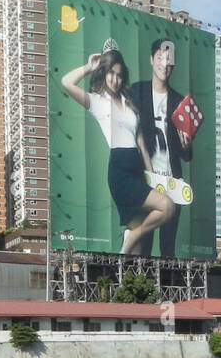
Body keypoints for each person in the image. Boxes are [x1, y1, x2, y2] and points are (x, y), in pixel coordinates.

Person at [61, 46, 173, 255]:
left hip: (137, 170)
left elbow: (140, 142)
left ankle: (126, 272)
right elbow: (66, 82)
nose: (115, 79)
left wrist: (153, 176)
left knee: (136, 253)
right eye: (111, 73)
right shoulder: (97, 102)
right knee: (167, 207)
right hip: (120, 171)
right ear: (103, 73)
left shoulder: (128, 102)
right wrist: (88, 66)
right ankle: (131, 237)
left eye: (120, 75)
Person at [131, 39, 194, 259]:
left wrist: (186, 144)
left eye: (168, 61)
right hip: (146, 177)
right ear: (151, 60)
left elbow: (186, 156)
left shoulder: (179, 101)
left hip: (172, 180)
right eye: (160, 58)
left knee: (168, 245)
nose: (164, 64)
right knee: (144, 241)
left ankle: (172, 288)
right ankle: (143, 287)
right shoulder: (136, 91)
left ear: (173, 66)